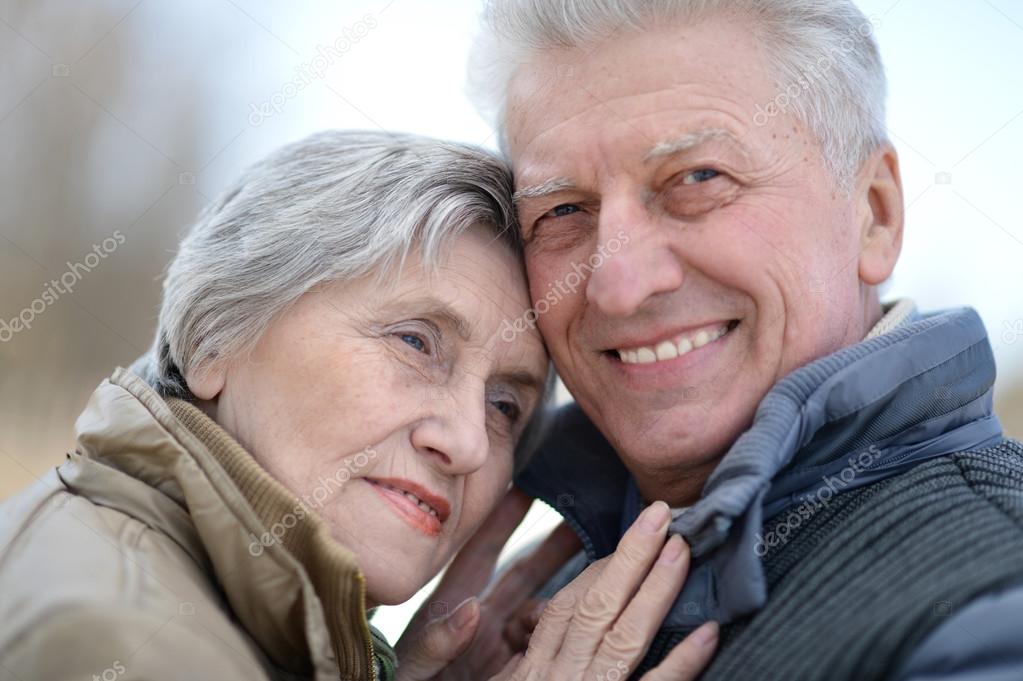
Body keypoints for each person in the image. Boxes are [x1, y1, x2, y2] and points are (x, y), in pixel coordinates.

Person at [402, 2, 1023, 679]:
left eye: (698, 178)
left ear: (873, 214)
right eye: (563, 211)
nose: (618, 284)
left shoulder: (990, 602)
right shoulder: (527, 631)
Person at [0, 131, 718, 680]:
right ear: (217, 335)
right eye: (414, 341)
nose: (467, 441)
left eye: (505, 405)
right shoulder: (115, 641)